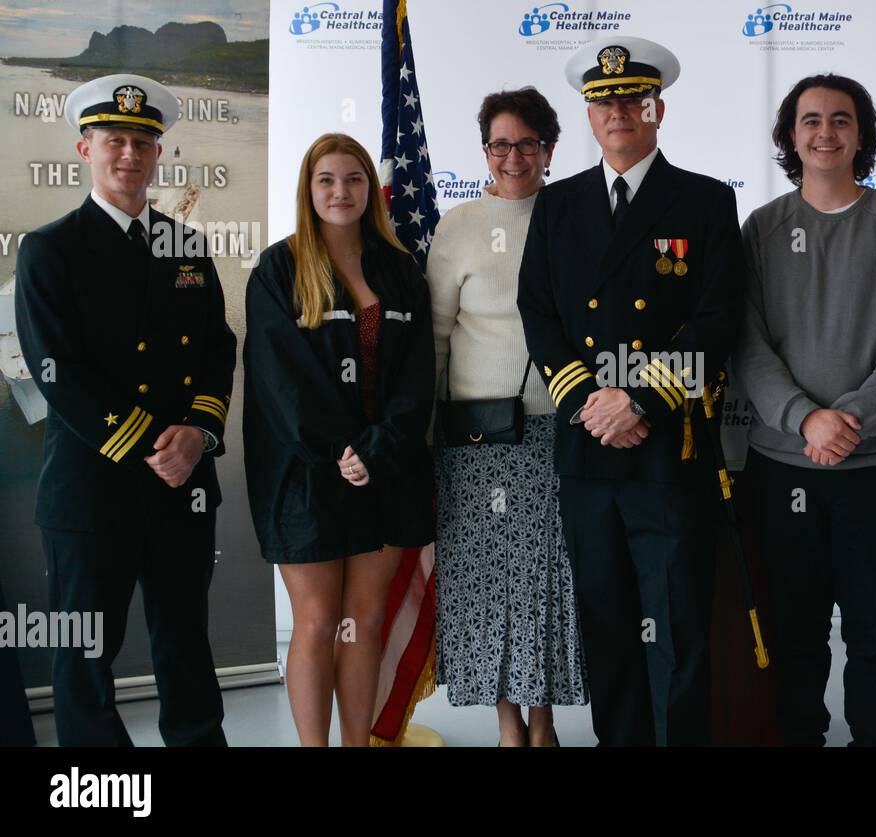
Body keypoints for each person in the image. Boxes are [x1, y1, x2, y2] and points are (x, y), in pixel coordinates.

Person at [517, 36, 743, 746]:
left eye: (630, 98)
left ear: (657, 108)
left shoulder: (705, 201)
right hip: (588, 450)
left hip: (668, 450)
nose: (616, 111)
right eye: (602, 101)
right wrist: (595, 402)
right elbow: (540, 312)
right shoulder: (558, 205)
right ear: (588, 118)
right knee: (607, 619)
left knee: (676, 621)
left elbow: (718, 318)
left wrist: (639, 399)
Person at [14, 73, 235, 746]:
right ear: (84, 150)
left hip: (183, 488)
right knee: (84, 661)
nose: (129, 155)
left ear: (158, 154)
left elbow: (218, 351)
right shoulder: (49, 249)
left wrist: (199, 432)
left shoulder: (188, 246)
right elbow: (57, 368)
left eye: (142, 142)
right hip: (92, 489)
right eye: (114, 140)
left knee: (186, 651)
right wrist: (149, 445)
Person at [732, 74, 876, 747]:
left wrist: (847, 419)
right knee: (796, 627)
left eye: (841, 119)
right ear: (791, 135)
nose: (826, 132)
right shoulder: (762, 229)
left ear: (861, 134)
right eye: (811, 120)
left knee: (874, 627)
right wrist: (804, 418)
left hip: (874, 468)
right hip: (783, 469)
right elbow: (747, 344)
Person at [243, 133, 436, 746]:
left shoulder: (400, 269)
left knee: (366, 619)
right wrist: (339, 453)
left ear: (369, 190)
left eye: (352, 179)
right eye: (326, 179)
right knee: (319, 622)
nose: (340, 191)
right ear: (308, 189)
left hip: (386, 470)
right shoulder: (278, 268)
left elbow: (416, 376)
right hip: (306, 478)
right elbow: (282, 383)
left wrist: (375, 451)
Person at [427, 87, 586, 747]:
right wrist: (427, 439)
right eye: (500, 143)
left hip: (563, 433)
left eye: (527, 142)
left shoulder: (577, 218)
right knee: (488, 584)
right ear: (484, 150)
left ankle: (543, 723)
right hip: (477, 440)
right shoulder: (458, 225)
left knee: (546, 586)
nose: (512, 155)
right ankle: (506, 724)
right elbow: (435, 339)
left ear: (550, 148)